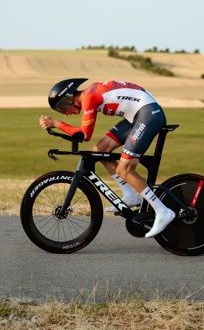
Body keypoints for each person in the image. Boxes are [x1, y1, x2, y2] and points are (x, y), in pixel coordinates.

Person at [39, 78, 176, 239]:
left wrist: (56, 123)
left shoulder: (89, 98)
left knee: (124, 169)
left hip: (148, 115)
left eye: (62, 107)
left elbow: (84, 135)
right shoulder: (90, 94)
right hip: (139, 114)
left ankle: (163, 211)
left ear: (68, 97)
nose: (65, 112)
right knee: (100, 150)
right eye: (60, 112)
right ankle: (130, 195)